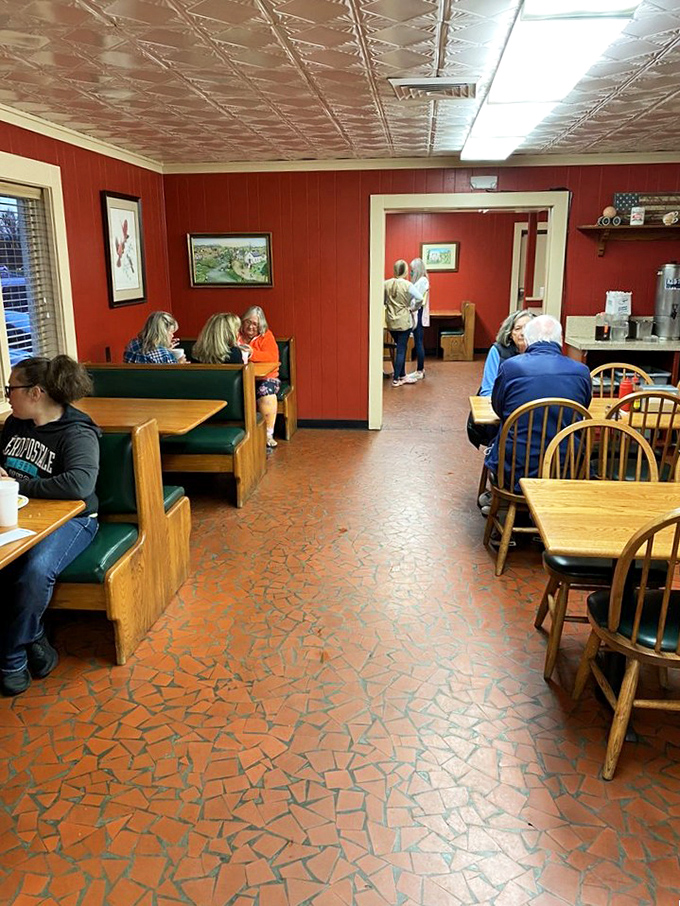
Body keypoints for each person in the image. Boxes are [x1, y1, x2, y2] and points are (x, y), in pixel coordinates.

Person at [0, 355, 100, 697]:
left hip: (75, 520)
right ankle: (35, 636)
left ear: (35, 392)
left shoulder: (77, 431)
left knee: (35, 570)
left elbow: (79, 486)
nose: (7, 395)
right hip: (22, 515)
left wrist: (16, 485)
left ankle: (11, 657)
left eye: (11, 388)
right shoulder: (16, 423)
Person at [485, 315, 592, 494]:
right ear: (561, 341)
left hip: (516, 469)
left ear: (527, 340)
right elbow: (583, 408)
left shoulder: (511, 368)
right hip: (565, 468)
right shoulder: (581, 372)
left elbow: (499, 408)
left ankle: (507, 504)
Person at [468, 310, 535, 456]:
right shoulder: (498, 351)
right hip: (504, 414)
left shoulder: (541, 355)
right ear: (510, 334)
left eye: (527, 328)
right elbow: (487, 390)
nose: (522, 333)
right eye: (517, 329)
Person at [239, 306, 281, 449]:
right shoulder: (235, 335)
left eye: (255, 324)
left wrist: (251, 353)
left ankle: (268, 434)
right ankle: (243, 434)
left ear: (260, 325)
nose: (250, 327)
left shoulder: (266, 336)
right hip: (240, 377)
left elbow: (272, 357)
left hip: (266, 377)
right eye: (247, 322)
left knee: (266, 393)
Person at [384, 260, 424, 387]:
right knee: (402, 349)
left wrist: (387, 303)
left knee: (399, 346)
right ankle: (397, 379)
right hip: (403, 321)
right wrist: (413, 308)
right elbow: (420, 298)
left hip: (391, 320)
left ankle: (402, 375)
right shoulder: (408, 285)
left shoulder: (386, 283)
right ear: (406, 271)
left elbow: (381, 298)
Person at [409, 258, 430, 381]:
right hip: (418, 313)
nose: (411, 273)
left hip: (419, 313)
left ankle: (420, 370)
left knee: (418, 341)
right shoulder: (423, 280)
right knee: (418, 341)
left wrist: (411, 308)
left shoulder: (422, 281)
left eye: (412, 270)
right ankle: (420, 369)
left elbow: (417, 298)